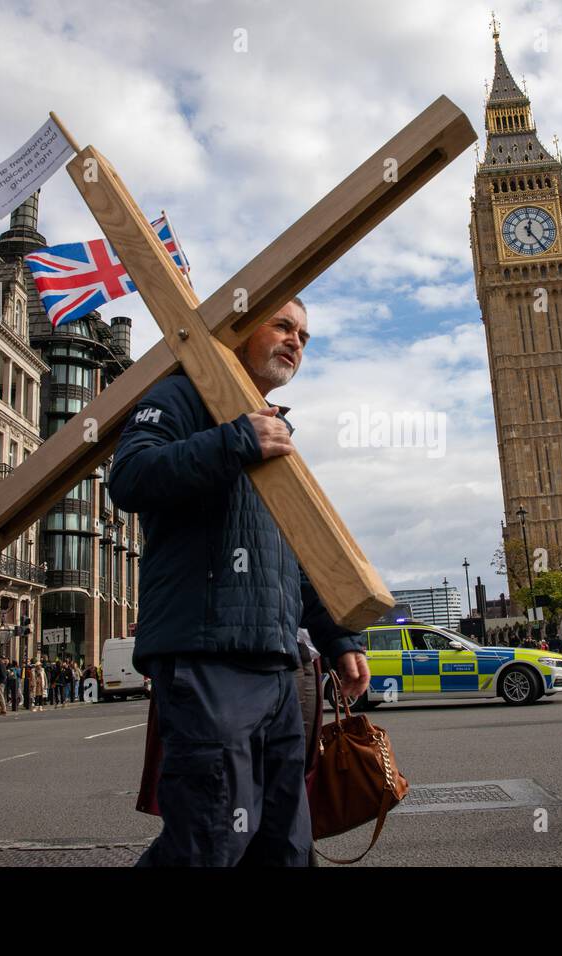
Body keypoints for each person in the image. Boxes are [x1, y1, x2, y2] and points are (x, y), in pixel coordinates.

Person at [109, 297, 370, 867]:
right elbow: (129, 476)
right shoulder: (181, 396)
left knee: (285, 845)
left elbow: (291, 558)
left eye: (304, 333)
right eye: (282, 325)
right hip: (209, 660)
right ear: (238, 331)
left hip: (280, 667)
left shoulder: (274, 429)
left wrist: (338, 639)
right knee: (209, 840)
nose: (296, 341)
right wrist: (235, 441)